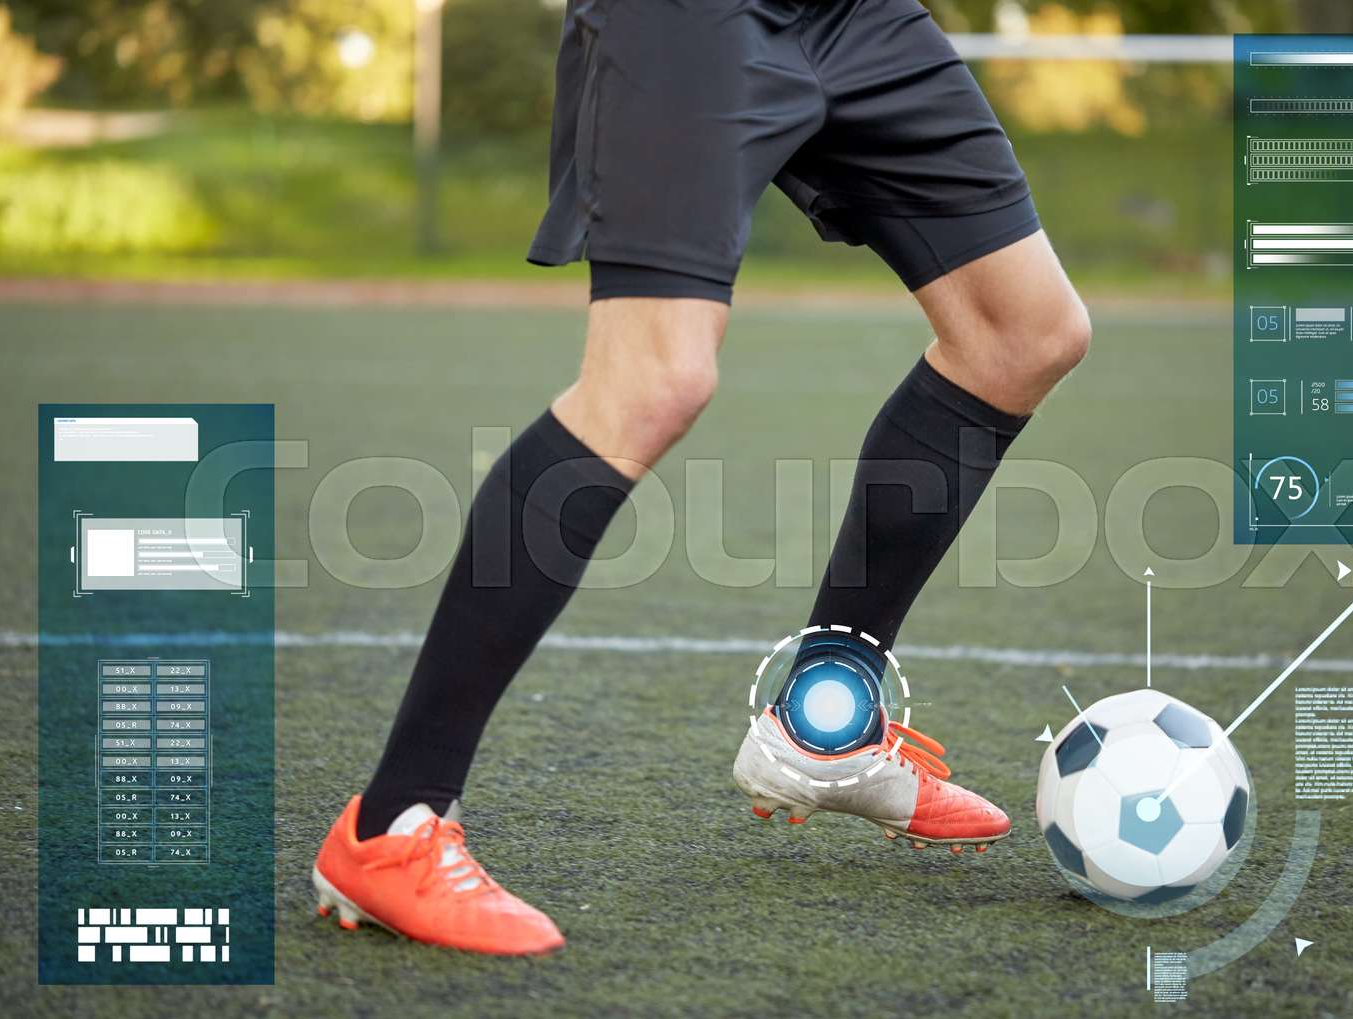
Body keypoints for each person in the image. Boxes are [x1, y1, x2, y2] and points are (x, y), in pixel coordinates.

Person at [313, 0, 1091, 956]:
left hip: (856, 14)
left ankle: (825, 724)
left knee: (1025, 334)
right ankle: (392, 826)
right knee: (651, 380)